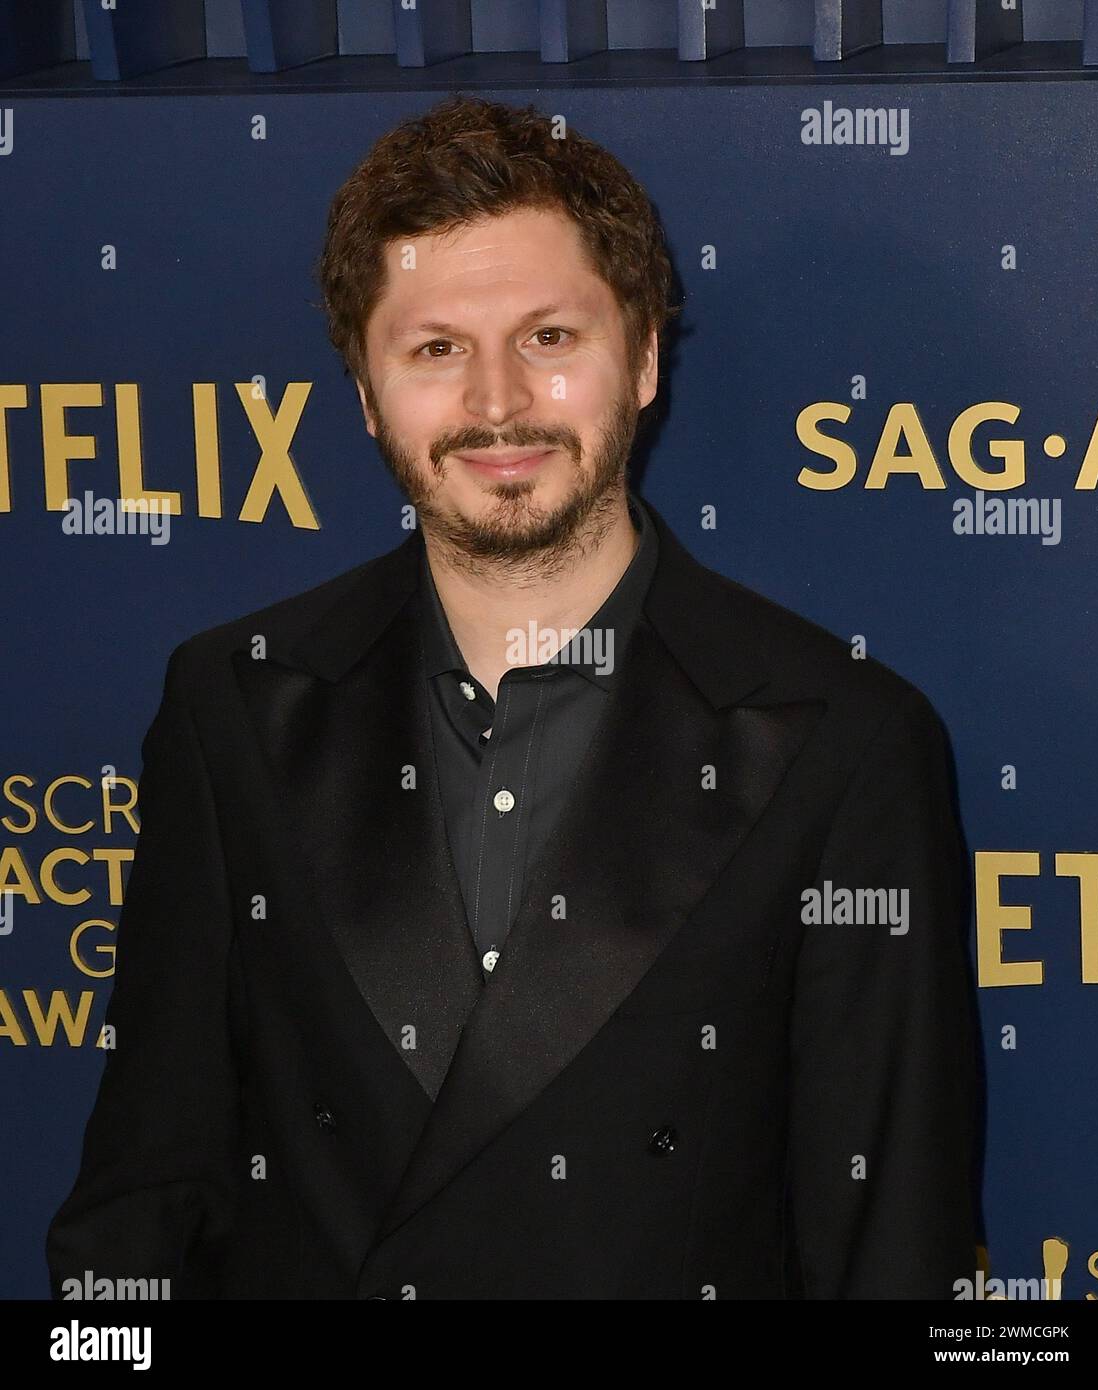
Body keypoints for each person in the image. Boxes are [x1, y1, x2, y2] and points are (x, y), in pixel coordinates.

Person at [46, 94, 979, 1299]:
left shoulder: (846, 741)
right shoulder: (232, 701)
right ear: (368, 392)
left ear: (642, 356)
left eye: (549, 336)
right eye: (436, 347)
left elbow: (893, 1246)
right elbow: (139, 1199)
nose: (495, 404)